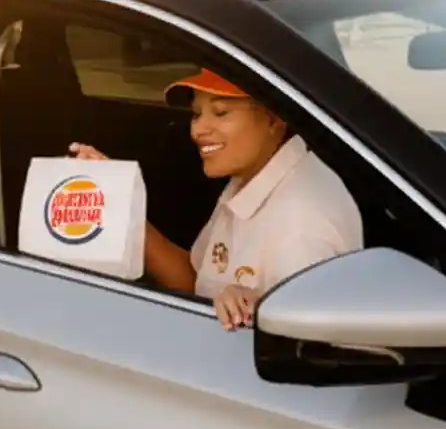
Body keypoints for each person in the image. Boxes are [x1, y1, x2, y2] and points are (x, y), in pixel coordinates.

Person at [69, 69, 363, 330]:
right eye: (197, 114)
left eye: (221, 113)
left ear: (274, 117)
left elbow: (303, 351)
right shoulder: (254, 176)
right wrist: (120, 202)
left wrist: (258, 312)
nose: (198, 130)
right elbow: (196, 278)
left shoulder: (302, 225)